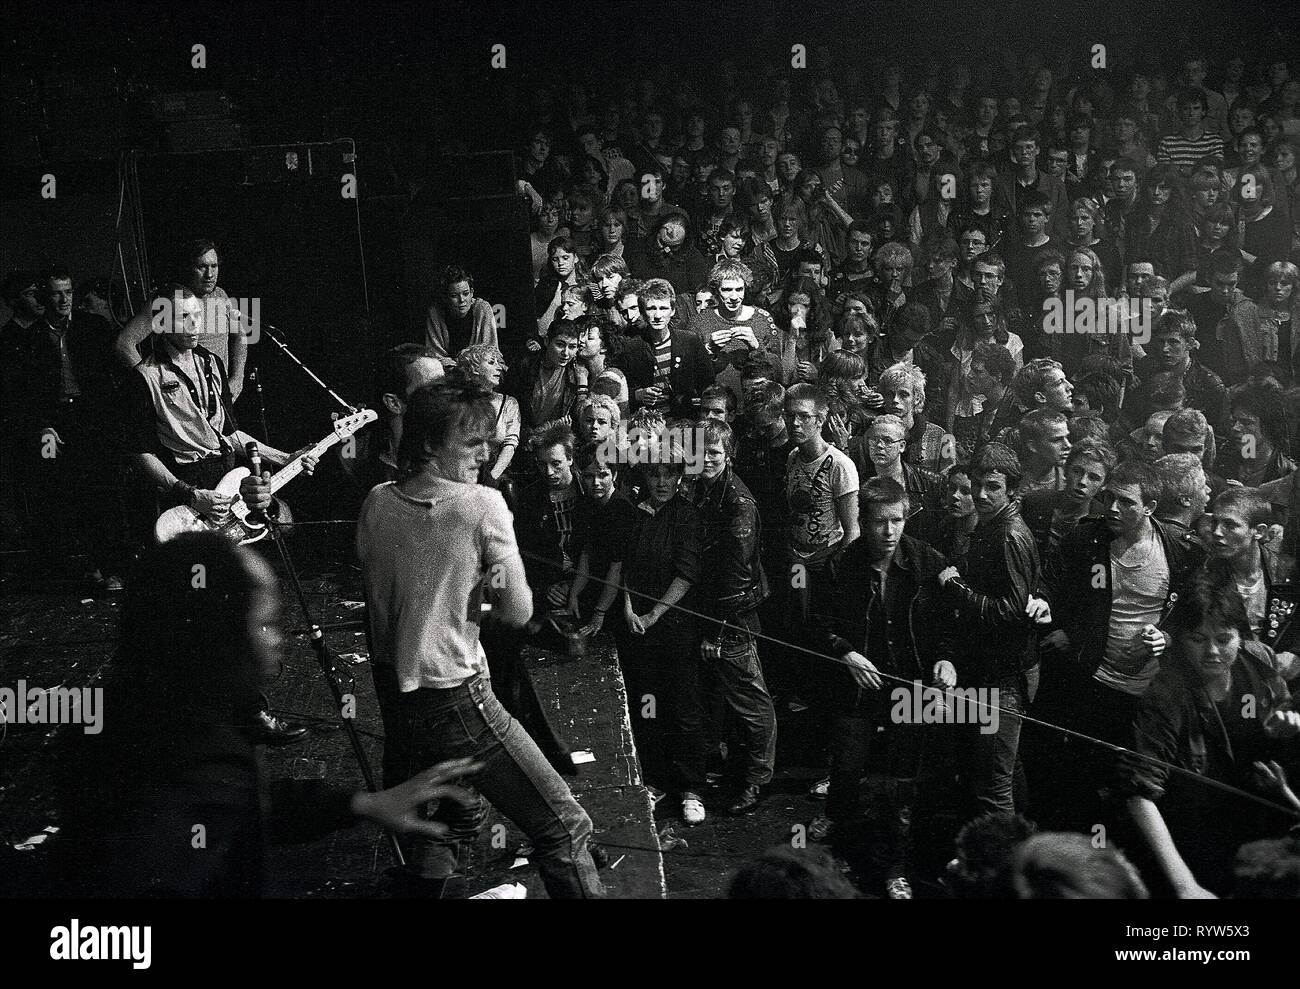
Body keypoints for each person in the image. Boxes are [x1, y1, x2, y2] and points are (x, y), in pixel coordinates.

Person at [50, 532, 483, 897]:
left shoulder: (134, 712)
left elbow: (245, 807)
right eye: (266, 622)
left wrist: (362, 803)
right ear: (214, 633)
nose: (281, 639)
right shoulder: (196, 761)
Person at [357, 379, 604, 898]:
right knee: (565, 827)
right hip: (458, 699)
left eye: (489, 441)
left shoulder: (376, 502)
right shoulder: (482, 506)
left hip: (400, 698)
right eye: (471, 442)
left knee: (451, 819)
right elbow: (517, 611)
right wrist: (483, 596)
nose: (485, 453)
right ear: (428, 444)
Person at [123, 282, 319, 743]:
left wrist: (285, 456)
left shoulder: (211, 365)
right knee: (196, 607)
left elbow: (230, 433)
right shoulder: (145, 377)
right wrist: (186, 493)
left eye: (198, 318)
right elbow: (138, 452)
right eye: (183, 319)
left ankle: (246, 712)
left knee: (236, 596)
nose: (194, 327)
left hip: (224, 480)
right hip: (184, 491)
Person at [807, 476, 958, 898]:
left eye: (897, 521)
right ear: (863, 520)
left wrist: (945, 659)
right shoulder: (840, 565)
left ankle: (893, 867)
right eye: (879, 522)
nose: (889, 532)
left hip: (910, 687)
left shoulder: (928, 562)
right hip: (859, 687)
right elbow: (818, 624)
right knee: (848, 767)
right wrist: (847, 653)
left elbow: (951, 624)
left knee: (900, 784)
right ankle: (838, 826)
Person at [1118, 574, 1299, 898]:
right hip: (1192, 837)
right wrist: (1186, 885)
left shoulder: (1259, 663)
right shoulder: (1167, 694)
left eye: (1224, 638)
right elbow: (1139, 793)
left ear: (1240, 637)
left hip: (1254, 832)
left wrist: (1287, 727)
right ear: (1181, 638)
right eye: (1198, 639)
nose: (1213, 651)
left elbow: (1281, 708)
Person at [6, 265, 124, 593]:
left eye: (69, 292)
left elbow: (110, 378)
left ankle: (110, 566)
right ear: (45, 296)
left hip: (91, 420)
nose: (64, 299)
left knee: (101, 492)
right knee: (59, 491)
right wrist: (42, 426)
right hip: (51, 424)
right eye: (56, 293)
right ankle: (82, 567)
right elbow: (21, 394)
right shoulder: (28, 339)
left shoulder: (94, 327)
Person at [937, 442, 1040, 817]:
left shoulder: (1008, 534)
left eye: (992, 486)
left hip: (1005, 678)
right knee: (1006, 771)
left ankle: (999, 867)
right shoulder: (995, 525)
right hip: (996, 670)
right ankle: (1021, 847)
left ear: (1010, 489)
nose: (981, 493)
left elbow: (1010, 611)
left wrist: (957, 588)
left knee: (993, 785)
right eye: (977, 483)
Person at [682, 420, 778, 816]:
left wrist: (715, 633)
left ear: (729, 455)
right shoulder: (704, 490)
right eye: (700, 451)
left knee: (751, 702)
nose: (706, 459)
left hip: (732, 617)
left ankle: (759, 780)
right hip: (713, 610)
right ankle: (735, 770)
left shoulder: (738, 503)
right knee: (723, 699)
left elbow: (735, 577)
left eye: (715, 453)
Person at [620, 449, 708, 824]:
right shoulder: (635, 514)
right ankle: (654, 780)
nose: (661, 482)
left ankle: (691, 788)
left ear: (679, 478)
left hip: (675, 629)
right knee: (648, 704)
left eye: (668, 475)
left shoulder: (687, 516)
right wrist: (626, 608)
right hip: (638, 628)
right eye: (654, 475)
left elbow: (686, 575)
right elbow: (620, 565)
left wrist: (654, 613)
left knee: (684, 708)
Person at [113, 239, 249, 400]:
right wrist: (154, 385)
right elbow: (124, 343)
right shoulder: (168, 298)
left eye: (214, 266)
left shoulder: (220, 295)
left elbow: (240, 335)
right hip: (183, 401)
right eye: (202, 267)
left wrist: (237, 379)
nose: (210, 274)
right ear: (188, 267)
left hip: (218, 397)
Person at [341, 343, 445, 494]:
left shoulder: (457, 450)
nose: (447, 395)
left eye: (444, 385)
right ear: (394, 403)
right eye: (433, 388)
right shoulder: (354, 456)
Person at [424, 265, 499, 364]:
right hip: (447, 368)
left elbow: (490, 350)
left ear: (472, 293)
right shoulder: (435, 313)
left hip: (479, 365)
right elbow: (434, 354)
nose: (462, 300)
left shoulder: (482, 309)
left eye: (466, 293)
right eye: (454, 296)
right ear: (445, 297)